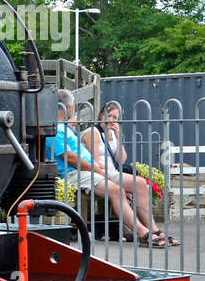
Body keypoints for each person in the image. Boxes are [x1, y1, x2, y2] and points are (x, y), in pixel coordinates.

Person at [45, 90, 159, 246]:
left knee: (139, 183)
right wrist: (98, 170)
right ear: (68, 107)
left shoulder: (63, 127)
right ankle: (143, 234)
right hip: (75, 172)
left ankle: (155, 231)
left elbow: (120, 158)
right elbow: (70, 158)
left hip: (91, 170)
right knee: (116, 191)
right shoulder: (55, 129)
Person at [81, 101, 177, 246]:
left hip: (112, 171)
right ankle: (146, 233)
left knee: (141, 186)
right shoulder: (92, 133)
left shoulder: (112, 133)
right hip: (99, 172)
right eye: (109, 116)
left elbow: (121, 159)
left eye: (115, 118)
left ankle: (153, 230)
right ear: (101, 116)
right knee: (139, 183)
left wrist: (118, 136)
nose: (112, 120)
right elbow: (94, 160)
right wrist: (107, 172)